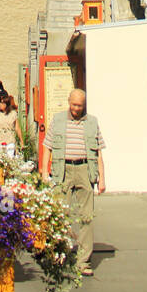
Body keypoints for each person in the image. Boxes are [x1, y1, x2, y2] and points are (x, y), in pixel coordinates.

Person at [42, 88, 105, 277]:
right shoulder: (58, 120)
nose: (76, 109)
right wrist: (45, 171)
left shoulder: (92, 122)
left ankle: (83, 262)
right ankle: (58, 257)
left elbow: (99, 152)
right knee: (60, 214)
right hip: (63, 171)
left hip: (85, 170)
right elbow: (48, 146)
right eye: (74, 105)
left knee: (86, 216)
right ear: (68, 101)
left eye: (80, 106)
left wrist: (102, 178)